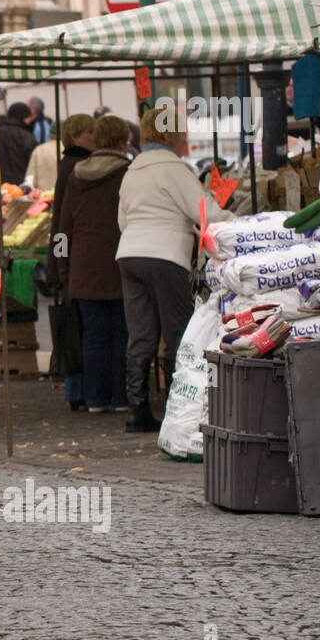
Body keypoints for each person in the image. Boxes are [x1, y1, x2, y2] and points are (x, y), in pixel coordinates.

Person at [117, 106, 233, 432]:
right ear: (174, 134)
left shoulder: (133, 169)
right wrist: (242, 225)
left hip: (129, 255)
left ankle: (135, 410)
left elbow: (122, 220)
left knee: (140, 334)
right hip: (165, 255)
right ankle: (175, 408)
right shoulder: (174, 169)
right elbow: (204, 212)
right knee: (178, 332)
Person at [57, 116, 132, 414]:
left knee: (92, 335)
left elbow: (64, 227)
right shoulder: (127, 173)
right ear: (121, 141)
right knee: (122, 332)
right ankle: (120, 397)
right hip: (119, 261)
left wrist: (62, 265)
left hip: (83, 266)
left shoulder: (76, 175)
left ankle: (95, 398)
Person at [45, 113, 95, 411]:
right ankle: (78, 390)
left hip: (65, 256)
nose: (94, 136)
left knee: (74, 325)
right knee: (78, 326)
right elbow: (64, 224)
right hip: (72, 257)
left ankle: (76, 390)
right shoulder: (77, 168)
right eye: (89, 132)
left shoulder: (68, 165)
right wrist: (63, 262)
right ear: (76, 136)